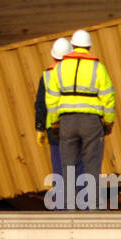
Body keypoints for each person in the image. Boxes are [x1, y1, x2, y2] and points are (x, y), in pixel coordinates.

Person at [45, 29, 115, 209]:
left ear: (73, 45)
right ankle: (92, 205)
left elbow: (51, 98)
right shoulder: (98, 67)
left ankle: (69, 206)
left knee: (68, 165)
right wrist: (108, 121)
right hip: (91, 121)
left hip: (67, 122)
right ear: (89, 46)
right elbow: (108, 97)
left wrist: (54, 122)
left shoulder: (60, 68)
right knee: (92, 163)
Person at [36, 38, 81, 193]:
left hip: (55, 130)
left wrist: (40, 128)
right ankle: (85, 207)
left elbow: (41, 105)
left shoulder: (47, 76)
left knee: (60, 169)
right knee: (80, 169)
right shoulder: (80, 73)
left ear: (53, 56)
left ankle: (63, 208)